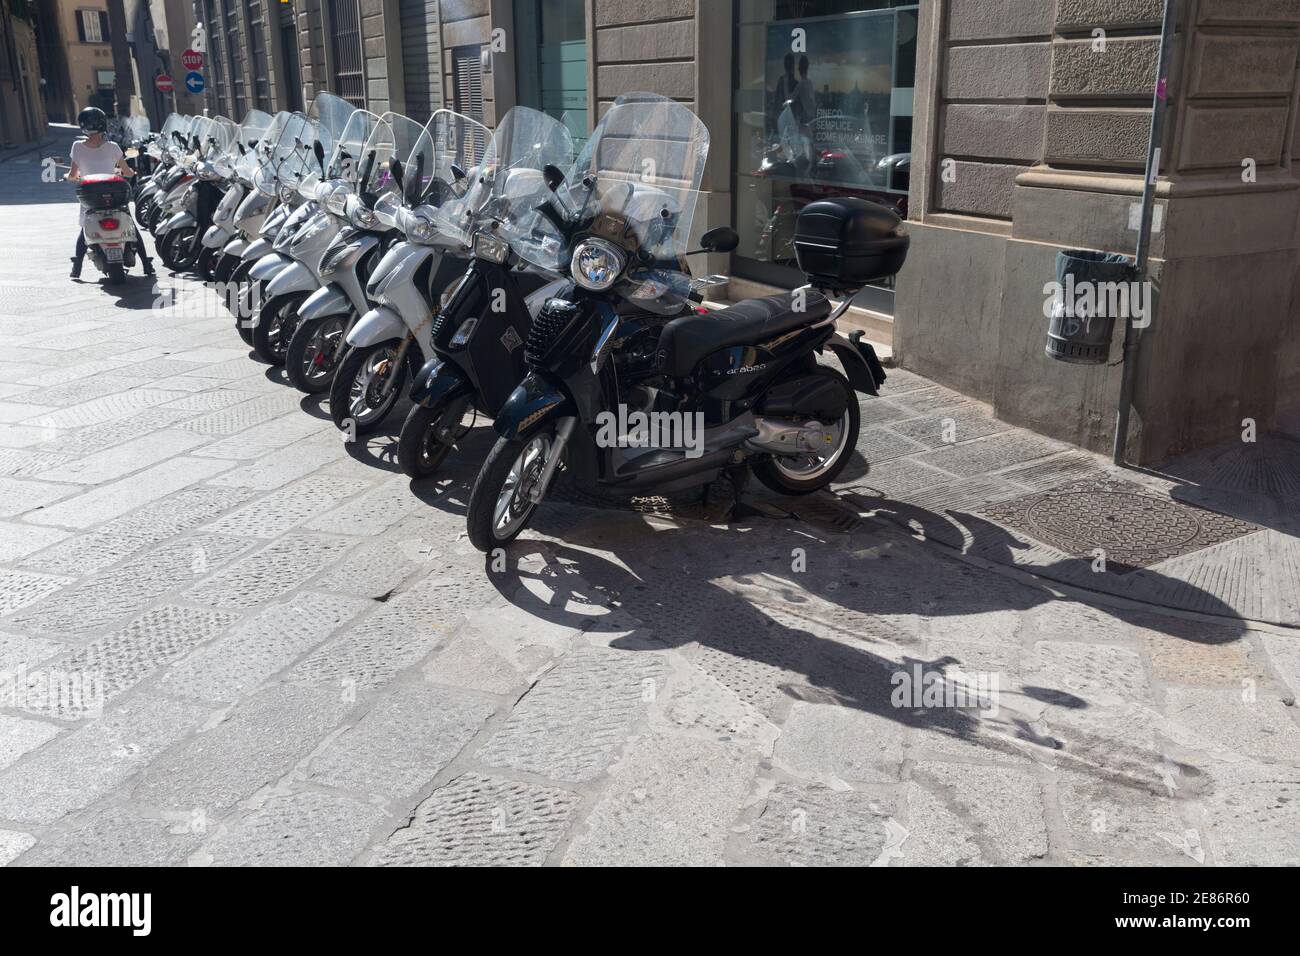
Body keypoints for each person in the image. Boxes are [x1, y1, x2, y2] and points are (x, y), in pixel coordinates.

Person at [66, 107, 154, 279]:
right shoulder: (113, 147)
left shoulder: (77, 147)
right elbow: (126, 171)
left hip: (90, 197)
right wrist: (129, 174)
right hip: (114, 196)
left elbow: (72, 175)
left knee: (85, 230)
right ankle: (147, 264)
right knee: (131, 227)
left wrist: (71, 177)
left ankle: (76, 268)